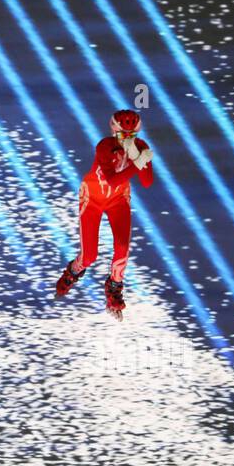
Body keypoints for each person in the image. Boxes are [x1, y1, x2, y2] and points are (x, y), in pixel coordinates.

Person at [54, 109, 154, 318]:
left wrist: (139, 156)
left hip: (118, 199)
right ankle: (73, 271)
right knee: (89, 256)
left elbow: (147, 182)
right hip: (92, 197)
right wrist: (138, 162)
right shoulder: (105, 146)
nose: (127, 139)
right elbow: (112, 180)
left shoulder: (141, 147)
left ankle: (114, 285)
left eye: (132, 135)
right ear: (114, 131)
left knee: (123, 248)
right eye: (123, 134)